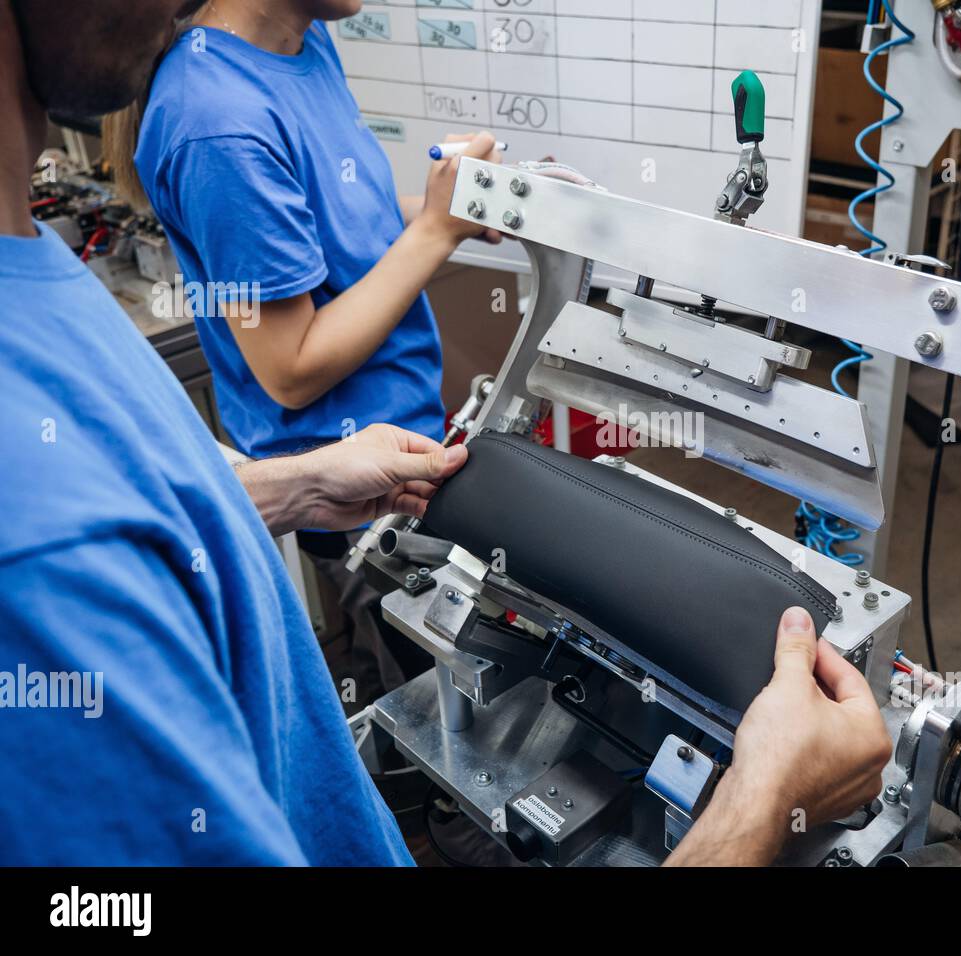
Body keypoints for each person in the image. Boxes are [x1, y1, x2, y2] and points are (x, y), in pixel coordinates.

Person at [0, 0, 892, 866]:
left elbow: (328, 231)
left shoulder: (49, 272)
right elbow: (287, 365)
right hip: (349, 468)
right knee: (431, 686)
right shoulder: (212, 121)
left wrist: (295, 482)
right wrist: (761, 801)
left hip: (372, 456)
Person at [104, 0, 504, 702]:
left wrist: (471, 205)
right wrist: (436, 235)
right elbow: (290, 368)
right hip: (342, 482)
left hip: (406, 437)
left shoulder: (305, 42)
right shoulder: (215, 121)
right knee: (428, 710)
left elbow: (354, 225)